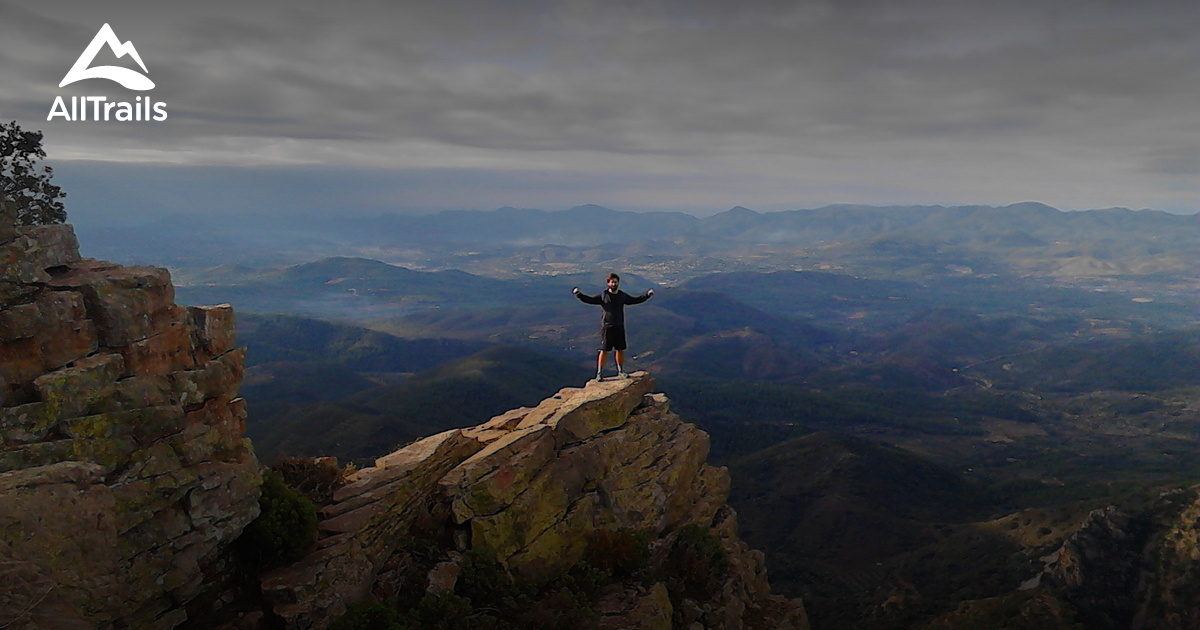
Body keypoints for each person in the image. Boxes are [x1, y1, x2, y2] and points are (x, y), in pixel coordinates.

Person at [573, 272, 654, 381]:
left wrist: (647, 295)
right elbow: (590, 300)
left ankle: (620, 371)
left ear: (618, 283)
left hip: (619, 326)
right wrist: (579, 294)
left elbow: (635, 300)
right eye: (612, 282)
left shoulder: (622, 296)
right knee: (604, 350)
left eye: (615, 282)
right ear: (608, 283)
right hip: (607, 327)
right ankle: (599, 374)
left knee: (620, 349)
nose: (614, 284)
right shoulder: (603, 296)